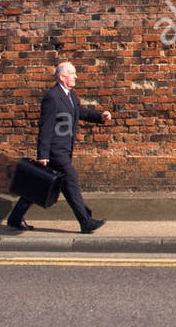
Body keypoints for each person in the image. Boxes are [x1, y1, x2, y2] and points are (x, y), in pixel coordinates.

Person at [7, 61, 112, 232]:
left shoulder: (70, 95)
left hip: (64, 149)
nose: (76, 76)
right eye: (72, 73)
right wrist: (42, 154)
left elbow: (81, 112)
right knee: (71, 181)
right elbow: (45, 126)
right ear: (63, 77)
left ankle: (15, 218)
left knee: (39, 184)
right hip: (56, 151)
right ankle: (85, 221)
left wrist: (99, 116)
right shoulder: (53, 97)